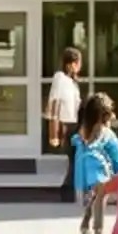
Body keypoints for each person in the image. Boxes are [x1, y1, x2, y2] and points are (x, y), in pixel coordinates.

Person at [72, 92, 118, 234]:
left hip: (89, 166)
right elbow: (115, 154)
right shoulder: (103, 131)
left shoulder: (85, 129)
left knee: (97, 196)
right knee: (100, 199)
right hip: (99, 167)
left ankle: (85, 224)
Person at [48, 46, 83, 202]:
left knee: (75, 158)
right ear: (71, 64)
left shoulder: (72, 82)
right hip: (66, 125)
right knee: (74, 158)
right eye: (78, 63)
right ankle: (67, 191)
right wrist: (53, 131)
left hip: (75, 124)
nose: (79, 66)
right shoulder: (60, 78)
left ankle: (69, 190)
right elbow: (54, 102)